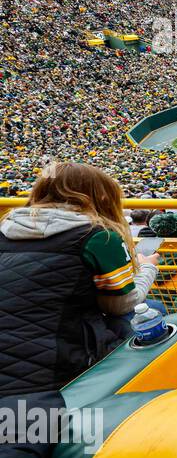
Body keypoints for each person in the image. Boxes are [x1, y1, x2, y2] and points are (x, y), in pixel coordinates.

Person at [0, 162, 160, 397]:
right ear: (98, 195)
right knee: (153, 311)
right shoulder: (98, 236)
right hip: (61, 358)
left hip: (16, 350)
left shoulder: (5, 227)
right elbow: (121, 305)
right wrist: (148, 269)